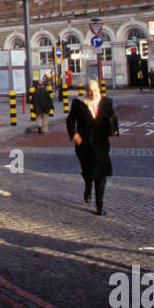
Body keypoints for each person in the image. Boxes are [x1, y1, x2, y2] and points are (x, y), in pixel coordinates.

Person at [66, 80, 119, 215]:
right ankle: (87, 186)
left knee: (101, 176)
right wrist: (74, 135)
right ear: (86, 90)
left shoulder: (106, 102)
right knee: (88, 173)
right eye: (89, 90)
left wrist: (115, 129)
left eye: (95, 90)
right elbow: (70, 120)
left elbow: (112, 117)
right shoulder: (78, 103)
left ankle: (99, 206)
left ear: (99, 90)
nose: (92, 93)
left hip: (101, 145)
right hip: (84, 145)